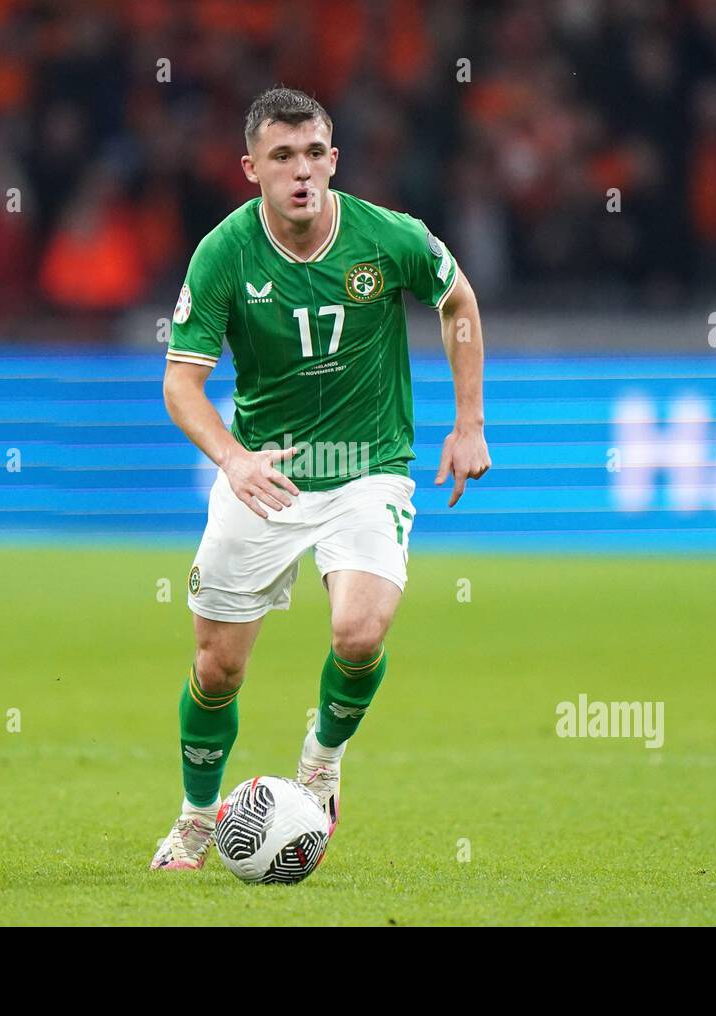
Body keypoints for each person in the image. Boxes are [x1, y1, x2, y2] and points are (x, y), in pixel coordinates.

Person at [152, 87, 490, 870]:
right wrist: (233, 458)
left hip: (366, 471)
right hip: (265, 474)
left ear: (333, 160)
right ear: (251, 169)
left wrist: (468, 422)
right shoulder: (223, 255)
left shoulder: (386, 237)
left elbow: (458, 299)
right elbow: (180, 383)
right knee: (216, 671)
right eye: (282, 157)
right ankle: (197, 818)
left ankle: (321, 761)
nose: (301, 172)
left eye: (314, 155)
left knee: (360, 631)